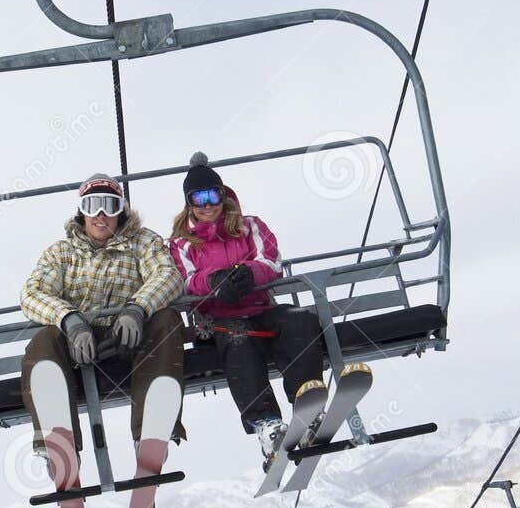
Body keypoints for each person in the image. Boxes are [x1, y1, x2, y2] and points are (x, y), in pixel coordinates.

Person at [168, 152, 326, 467]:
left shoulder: (249, 225)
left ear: (223, 194)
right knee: (238, 344)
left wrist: (248, 273)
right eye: (198, 199)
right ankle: (266, 424)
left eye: (213, 195)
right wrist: (214, 282)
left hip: (260, 307)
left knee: (300, 321)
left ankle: (306, 400)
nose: (207, 204)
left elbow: (271, 259)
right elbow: (184, 281)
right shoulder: (181, 243)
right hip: (220, 321)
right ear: (189, 203)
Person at [20, 173, 186, 459]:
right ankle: (58, 445)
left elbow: (168, 276)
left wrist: (137, 309)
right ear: (81, 211)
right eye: (92, 205)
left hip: (131, 339)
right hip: (78, 346)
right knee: (44, 341)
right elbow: (32, 294)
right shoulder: (61, 253)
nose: (100, 215)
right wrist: (70, 321)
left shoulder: (142, 242)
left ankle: (153, 431)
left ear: (121, 210)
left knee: (166, 321)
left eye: (109, 206)